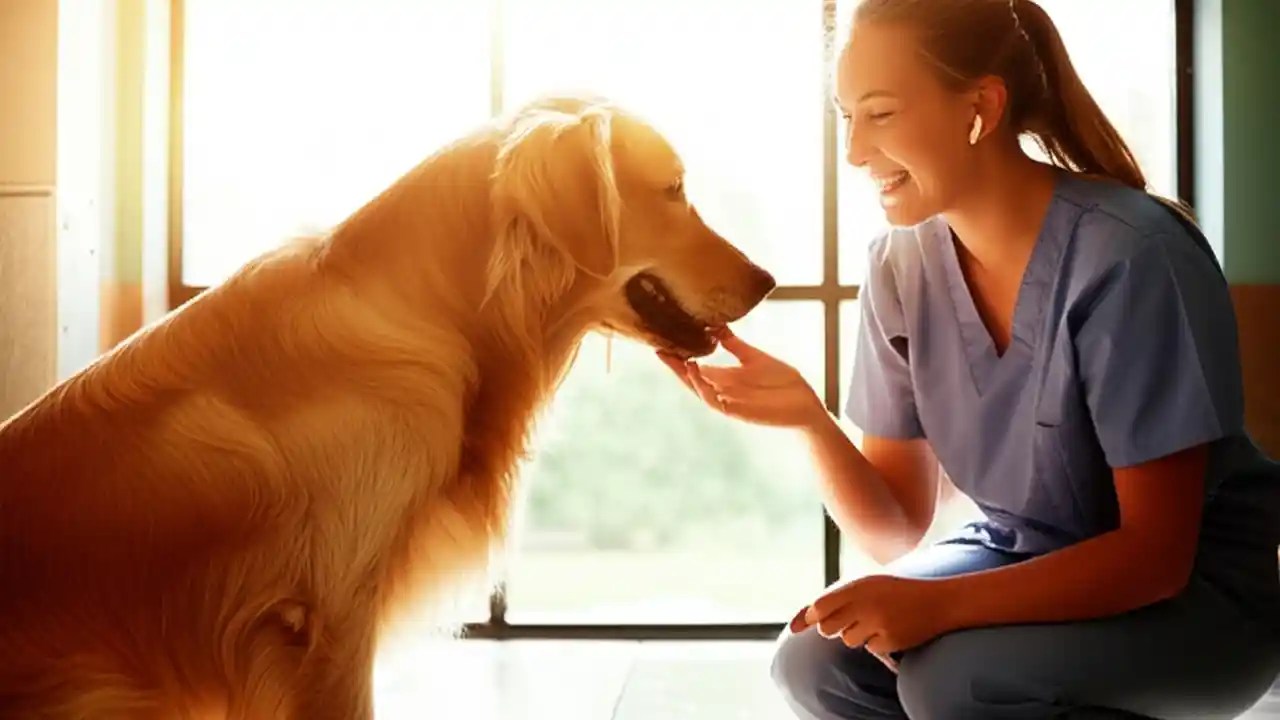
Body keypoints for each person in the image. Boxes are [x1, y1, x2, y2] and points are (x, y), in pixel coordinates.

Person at [659, 0, 1280, 718]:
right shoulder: (899, 267)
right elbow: (895, 526)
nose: (855, 152)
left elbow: (1155, 556)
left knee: (953, 679)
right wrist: (809, 420)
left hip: (1198, 602)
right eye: (846, 116)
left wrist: (943, 605)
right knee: (815, 661)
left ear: (980, 107)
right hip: (1020, 557)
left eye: (881, 114)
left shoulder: (1131, 256)